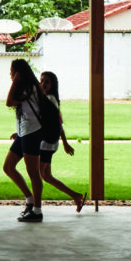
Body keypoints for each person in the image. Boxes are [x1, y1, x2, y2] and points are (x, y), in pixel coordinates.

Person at [35, 71, 88, 212]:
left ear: (52, 85)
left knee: (38, 176)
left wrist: (64, 142)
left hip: (46, 143)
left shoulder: (49, 100)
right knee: (46, 176)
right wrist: (64, 142)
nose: (43, 84)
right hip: (50, 143)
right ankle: (76, 196)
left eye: (47, 81)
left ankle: (35, 207)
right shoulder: (49, 99)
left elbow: (54, 124)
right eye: (42, 81)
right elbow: (57, 123)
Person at [1, 58, 47, 222]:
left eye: (13, 71)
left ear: (19, 73)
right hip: (24, 132)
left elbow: (9, 102)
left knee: (33, 173)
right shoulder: (27, 86)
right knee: (8, 167)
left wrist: (16, 80)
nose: (10, 74)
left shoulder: (29, 87)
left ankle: (37, 211)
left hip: (32, 132)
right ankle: (30, 200)